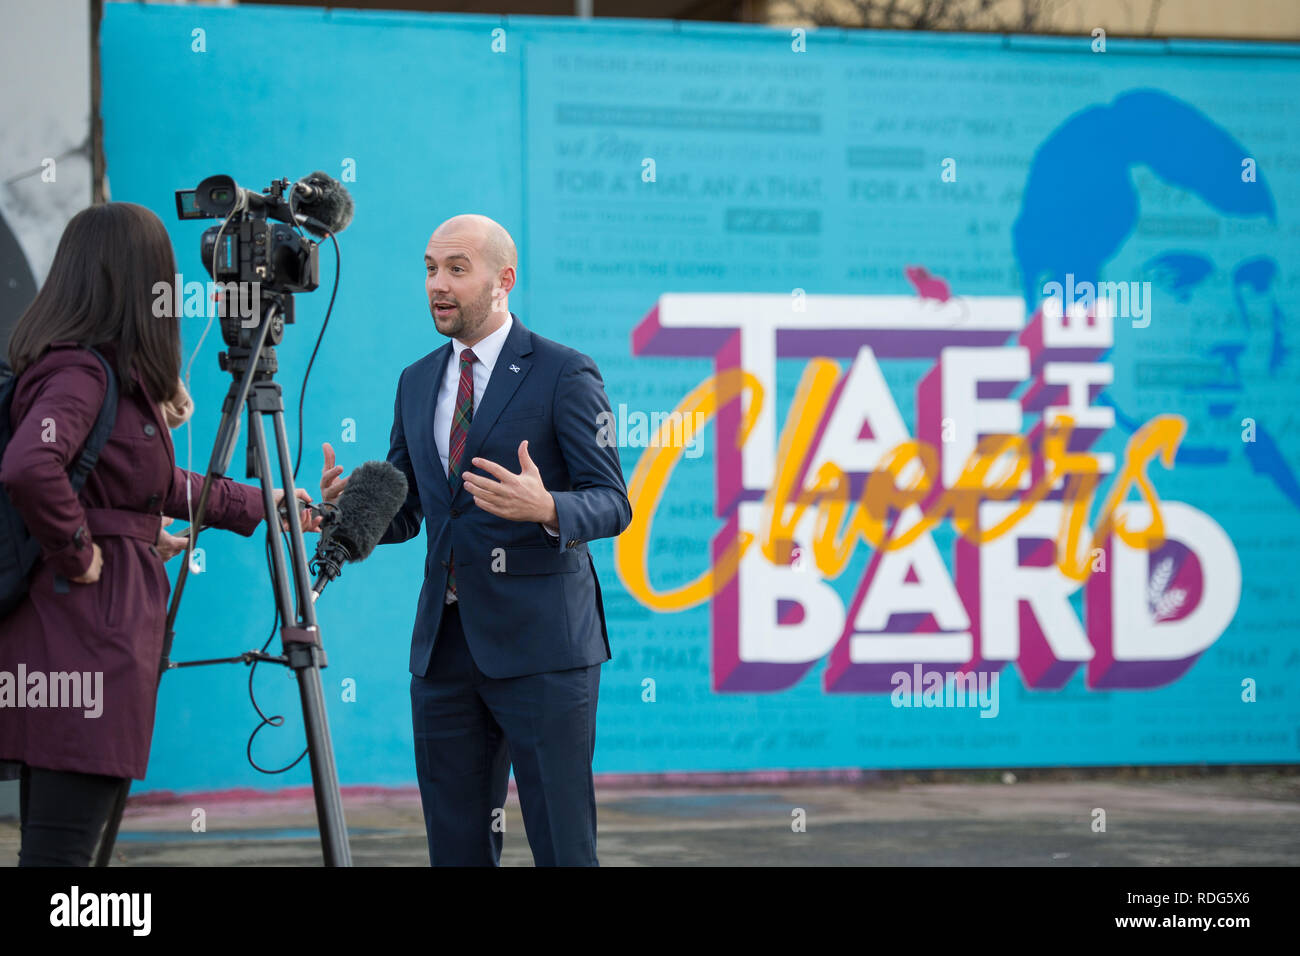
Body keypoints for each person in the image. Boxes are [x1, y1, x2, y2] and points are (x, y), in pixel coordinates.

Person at [0, 202, 320, 866]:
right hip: (82, 642)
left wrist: (269, 503)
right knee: (62, 860)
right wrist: (82, 550)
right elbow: (31, 467)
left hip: (74, 638)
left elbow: (157, 485)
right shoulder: (82, 372)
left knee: (57, 849)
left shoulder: (97, 372)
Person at [320, 213, 631, 866]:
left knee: (564, 850)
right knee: (457, 853)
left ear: (503, 280)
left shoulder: (565, 373)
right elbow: (407, 512)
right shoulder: (415, 381)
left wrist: (547, 507)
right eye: (431, 269)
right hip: (444, 657)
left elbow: (612, 503)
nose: (439, 283)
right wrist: (347, 510)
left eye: (457, 269)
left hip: (545, 653)